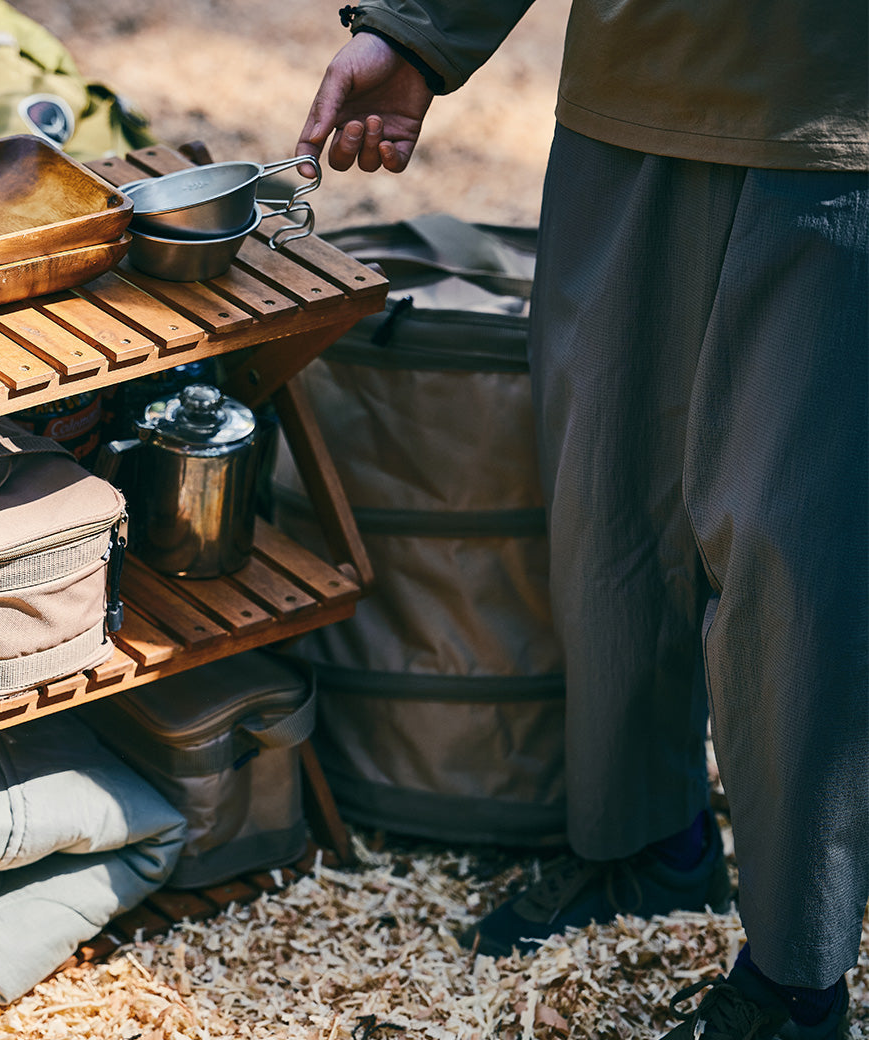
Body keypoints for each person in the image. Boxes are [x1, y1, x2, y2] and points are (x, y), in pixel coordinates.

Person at [294, 2, 867, 1037]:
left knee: (796, 559)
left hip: (840, 124)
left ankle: (795, 977)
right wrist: (423, 32)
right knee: (607, 491)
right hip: (628, 91)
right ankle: (648, 843)